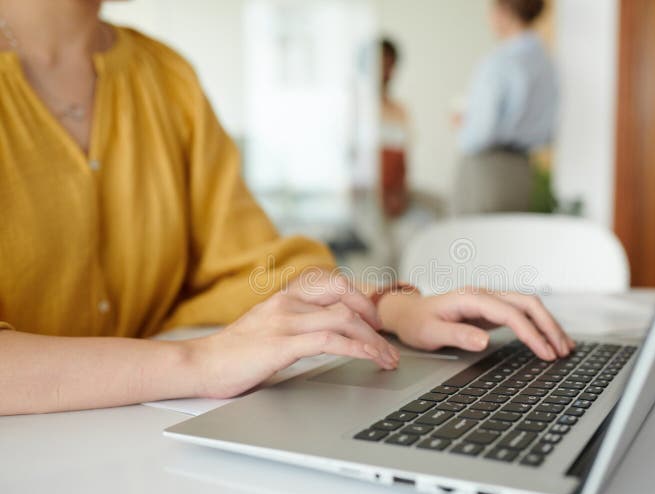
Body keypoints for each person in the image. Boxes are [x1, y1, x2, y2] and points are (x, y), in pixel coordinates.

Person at [0, 0, 573, 416]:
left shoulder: (167, 77)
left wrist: (391, 313)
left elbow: (249, 263)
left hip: (137, 451)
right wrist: (202, 364)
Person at [452, 0, 557, 215]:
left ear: (504, 12)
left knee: (468, 243)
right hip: (523, 172)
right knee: (509, 242)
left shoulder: (499, 63)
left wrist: (463, 125)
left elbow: (480, 132)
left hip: (487, 171)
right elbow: (549, 128)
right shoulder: (547, 64)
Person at [379, 37, 410, 218]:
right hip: (368, 197)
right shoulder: (358, 110)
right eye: (382, 64)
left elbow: (403, 158)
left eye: (390, 65)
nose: (386, 71)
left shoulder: (399, 110)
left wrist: (400, 193)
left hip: (396, 194)